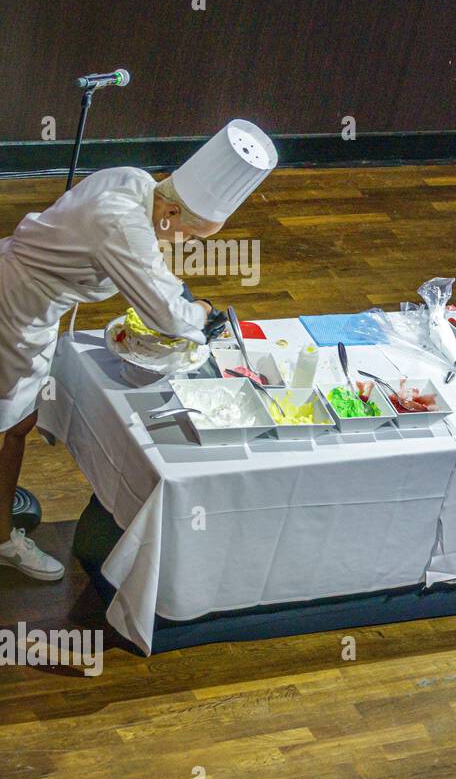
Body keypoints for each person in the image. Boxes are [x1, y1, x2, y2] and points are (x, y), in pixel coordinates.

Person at [0, 119, 277, 582]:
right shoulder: (123, 226)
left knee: (20, 420)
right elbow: (162, 313)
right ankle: (2, 538)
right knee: (9, 423)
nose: (183, 244)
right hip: (16, 311)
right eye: (189, 235)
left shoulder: (132, 179)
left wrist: (180, 295)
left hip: (26, 298)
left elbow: (150, 269)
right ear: (170, 213)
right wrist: (202, 313)